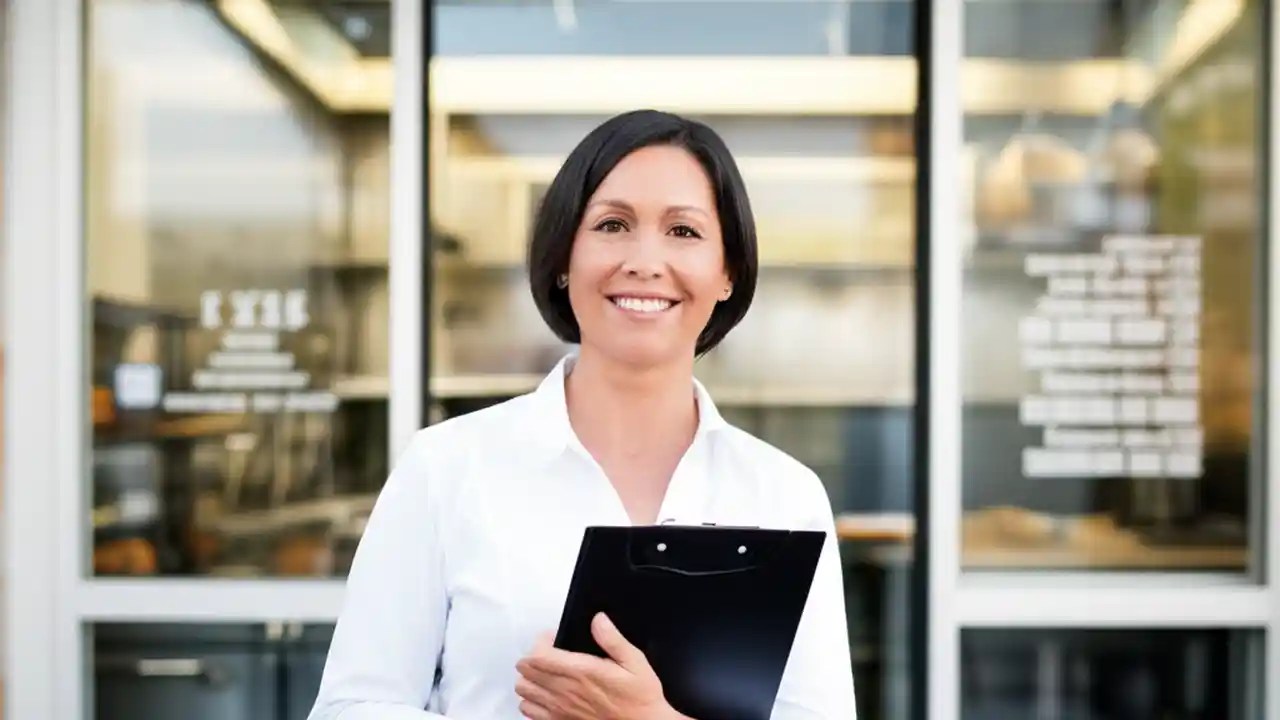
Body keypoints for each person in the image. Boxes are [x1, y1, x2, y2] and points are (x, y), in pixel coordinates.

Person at [308, 109, 857, 720]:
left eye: (684, 232)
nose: (645, 260)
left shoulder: (784, 496)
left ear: (727, 272)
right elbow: (351, 707)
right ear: (564, 258)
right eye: (613, 224)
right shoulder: (446, 468)